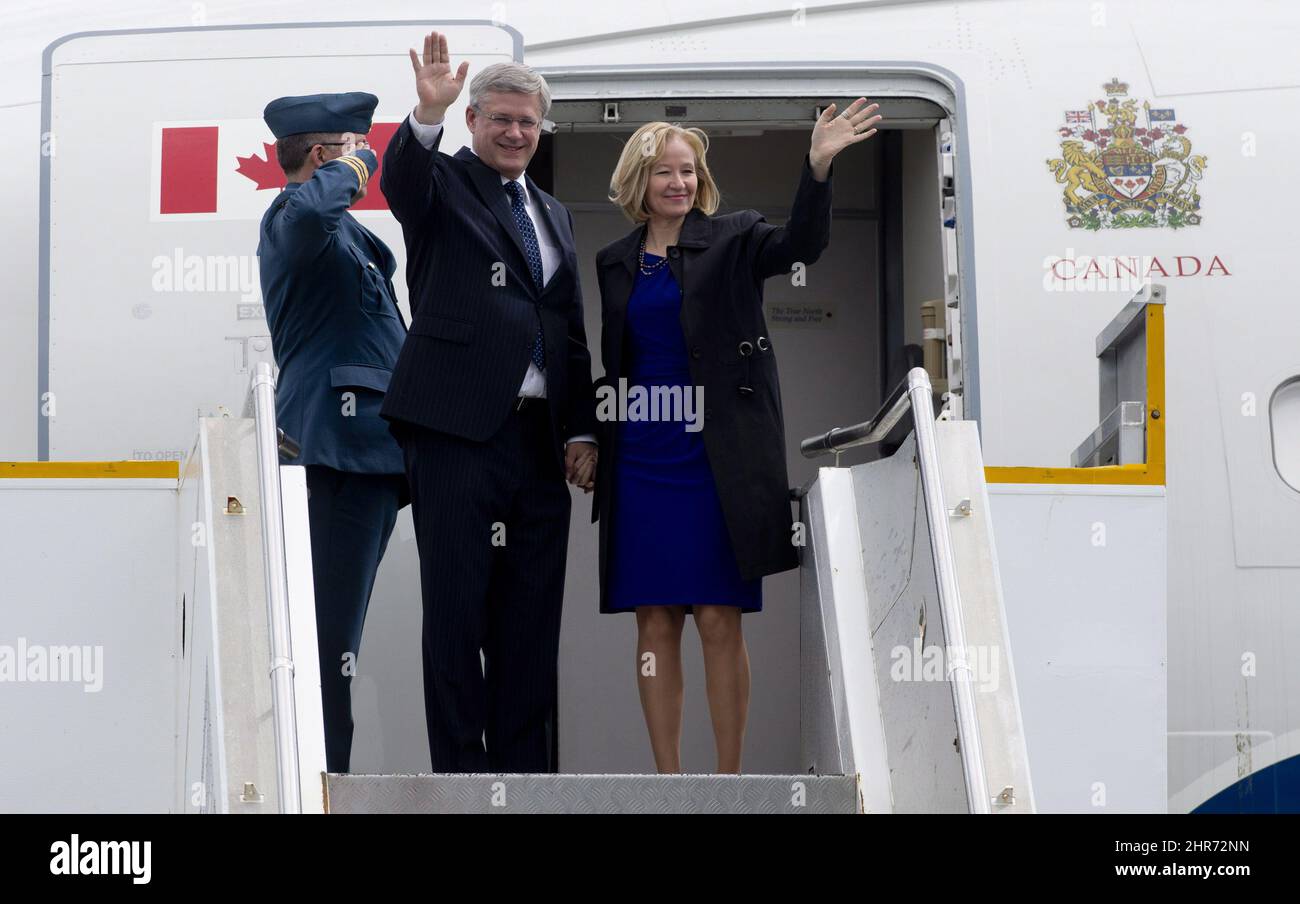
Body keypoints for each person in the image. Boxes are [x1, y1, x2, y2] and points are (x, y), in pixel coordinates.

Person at [593, 99, 882, 773]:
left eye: (688, 171)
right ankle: (670, 787)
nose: (679, 182)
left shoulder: (735, 236)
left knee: (719, 615)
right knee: (653, 619)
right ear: (638, 180)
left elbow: (801, 245)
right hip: (641, 456)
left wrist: (818, 166)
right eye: (664, 171)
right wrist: (590, 435)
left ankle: (729, 785)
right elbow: (616, 364)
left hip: (715, 457)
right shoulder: (614, 260)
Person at [378, 32, 599, 772]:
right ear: (472, 120)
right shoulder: (442, 183)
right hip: (456, 434)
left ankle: (523, 787)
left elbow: (567, 329)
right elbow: (402, 182)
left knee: (530, 625)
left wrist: (582, 429)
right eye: (500, 118)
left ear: (541, 129)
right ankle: (462, 789)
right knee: (455, 617)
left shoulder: (553, 213)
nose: (514, 132)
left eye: (527, 122)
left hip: (537, 444)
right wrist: (426, 114)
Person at [256, 91, 410, 773]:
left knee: (334, 638)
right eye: (354, 148)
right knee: (325, 642)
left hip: (367, 456)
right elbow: (314, 208)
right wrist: (357, 164)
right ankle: (322, 783)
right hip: (334, 454)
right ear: (322, 157)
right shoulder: (295, 215)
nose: (366, 162)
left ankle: (325, 779)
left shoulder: (343, 233)